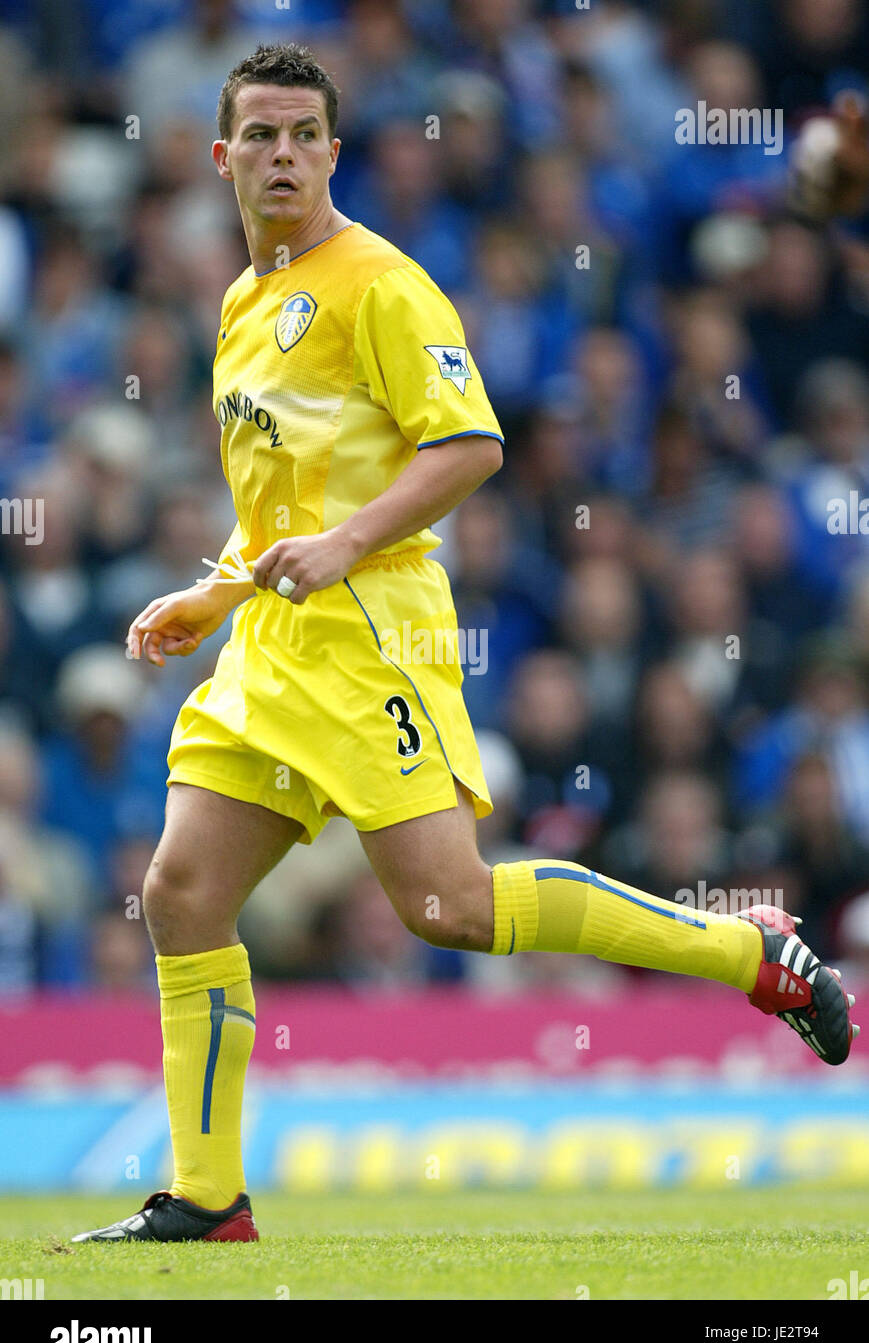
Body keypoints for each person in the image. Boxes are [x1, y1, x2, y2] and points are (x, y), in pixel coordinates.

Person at [72, 43, 857, 1245]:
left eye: (303, 136)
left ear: (331, 153)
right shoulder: (239, 303)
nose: (282, 156)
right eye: (260, 137)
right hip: (274, 650)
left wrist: (342, 548)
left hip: (377, 637)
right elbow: (284, 498)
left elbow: (468, 444)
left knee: (445, 905)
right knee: (180, 891)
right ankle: (206, 1193)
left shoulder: (381, 284)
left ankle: (745, 949)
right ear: (221, 158)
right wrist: (214, 596)